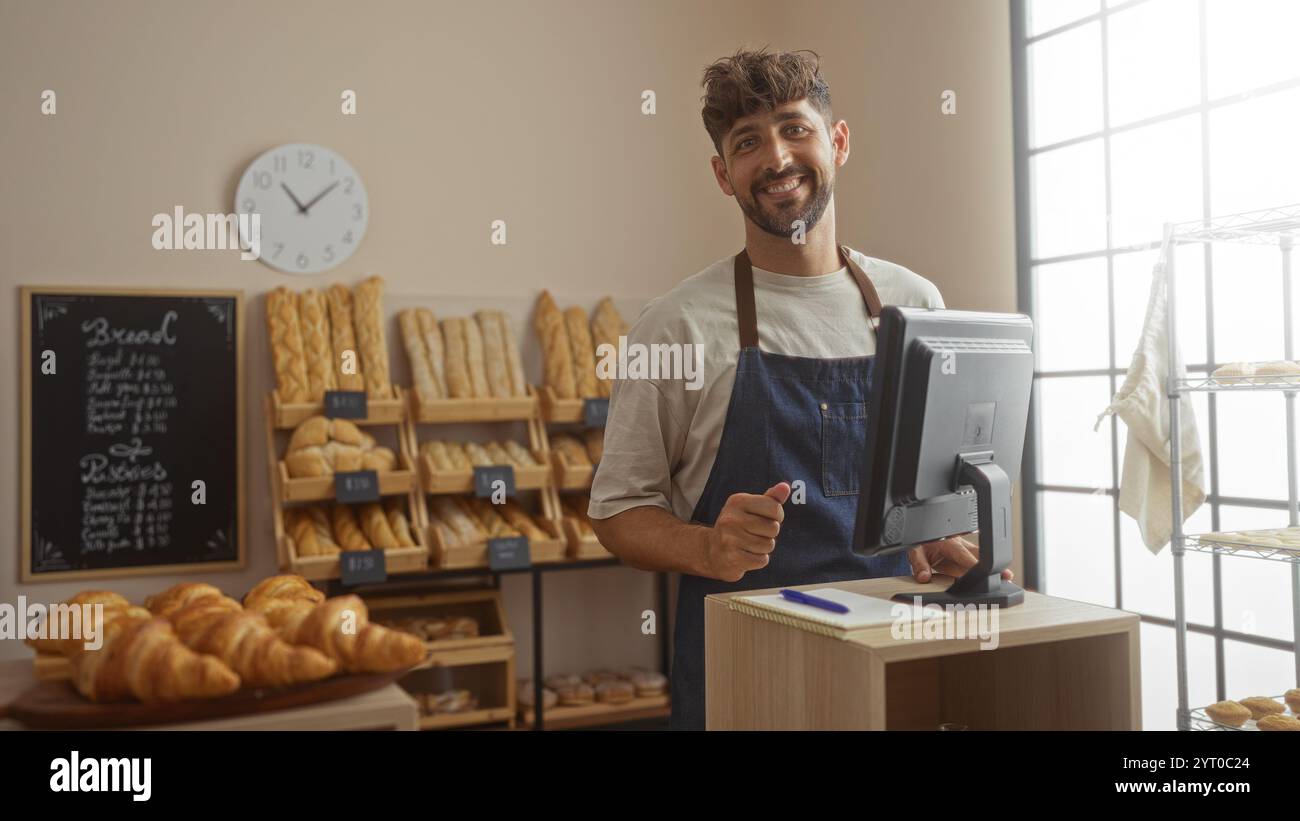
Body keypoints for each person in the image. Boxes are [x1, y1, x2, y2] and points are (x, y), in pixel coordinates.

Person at [587, 47, 1013, 730]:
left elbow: (939, 489)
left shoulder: (915, 302)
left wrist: (936, 535)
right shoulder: (671, 327)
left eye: (795, 128)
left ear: (837, 142)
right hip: (747, 676)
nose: (776, 158)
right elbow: (616, 512)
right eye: (748, 143)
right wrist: (707, 547)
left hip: (893, 660)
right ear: (724, 175)